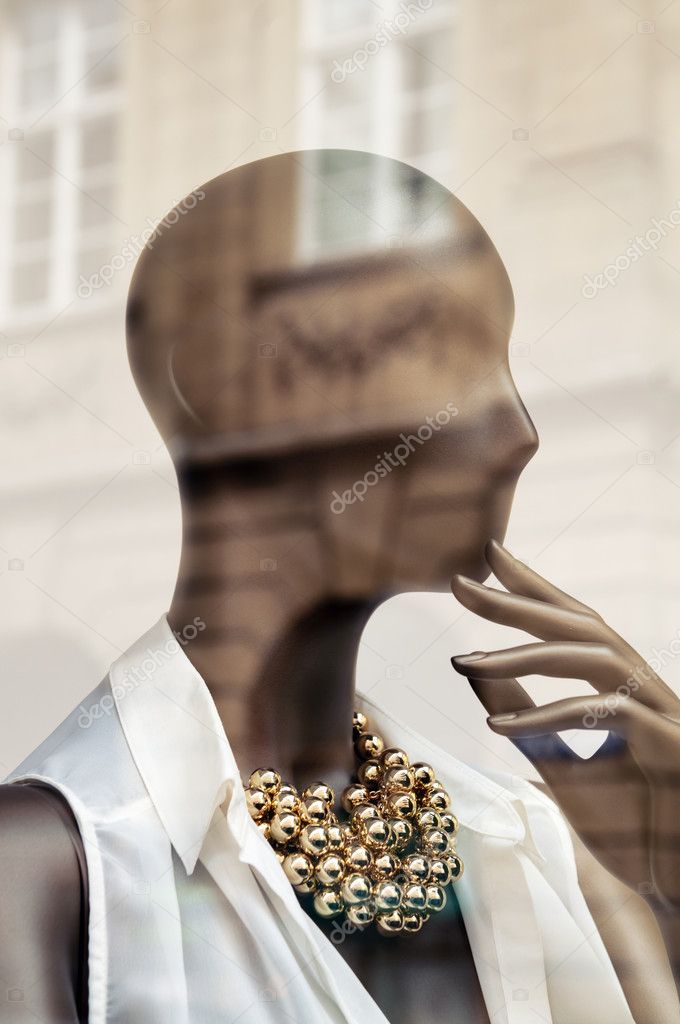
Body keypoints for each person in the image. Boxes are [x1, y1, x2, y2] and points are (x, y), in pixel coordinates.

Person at [1, 151, 677, 1023]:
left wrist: (660, 897)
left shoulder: (528, 842)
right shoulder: (58, 869)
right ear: (224, 381)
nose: (518, 431)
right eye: (444, 351)